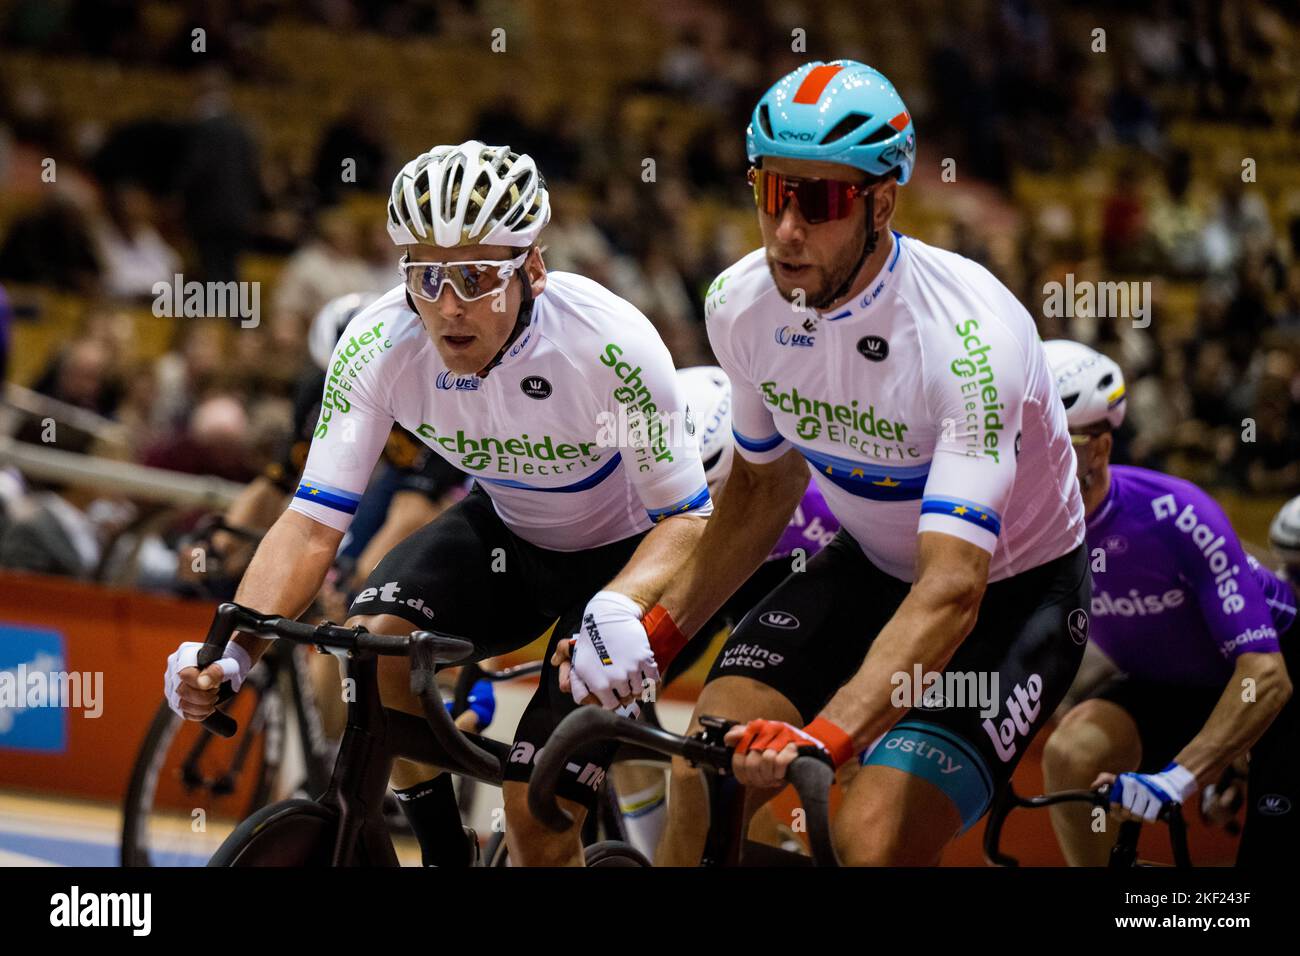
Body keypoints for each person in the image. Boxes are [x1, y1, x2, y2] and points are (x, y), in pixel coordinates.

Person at [163, 140, 712, 867]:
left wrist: (622, 603)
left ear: (534, 269)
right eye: (427, 276)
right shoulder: (380, 341)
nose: (448, 306)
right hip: (507, 533)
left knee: (535, 813)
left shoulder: (610, 344)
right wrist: (233, 650)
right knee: (373, 644)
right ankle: (442, 849)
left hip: (620, 566)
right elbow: (309, 523)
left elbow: (688, 519)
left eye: (478, 276)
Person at [639, 60, 1091, 866]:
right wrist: (655, 638)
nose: (786, 230)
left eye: (819, 201)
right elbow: (760, 488)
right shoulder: (740, 304)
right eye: (772, 192)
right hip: (871, 564)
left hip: (1010, 596)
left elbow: (954, 589)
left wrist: (825, 737)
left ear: (882, 203)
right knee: (704, 771)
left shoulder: (970, 337)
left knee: (867, 840)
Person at [1039, 340, 1296, 865]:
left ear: (1100, 450)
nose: (1032, 465)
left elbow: (1266, 675)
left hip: (1274, 677)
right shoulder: (1025, 526)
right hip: (1175, 683)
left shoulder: (1176, 514)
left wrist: (1180, 778)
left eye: (1056, 446)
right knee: (1070, 752)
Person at [606, 365, 840, 861]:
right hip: (718, 576)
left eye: (704, 492)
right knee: (610, 699)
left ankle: (762, 836)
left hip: (795, 578)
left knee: (748, 754)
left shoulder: (815, 503)